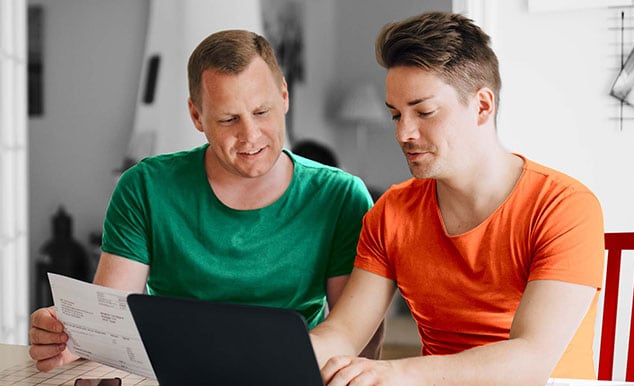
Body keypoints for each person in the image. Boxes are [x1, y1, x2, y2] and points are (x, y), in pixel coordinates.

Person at [28, 29, 382, 372]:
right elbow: (110, 326)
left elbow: (355, 340)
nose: (251, 136)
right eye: (229, 119)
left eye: (262, 112)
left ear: (284, 96)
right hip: (175, 372)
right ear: (197, 115)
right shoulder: (145, 187)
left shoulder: (340, 196)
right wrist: (69, 338)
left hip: (292, 372)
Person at [310, 11, 605, 386]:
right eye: (396, 115)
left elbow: (531, 360)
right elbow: (345, 332)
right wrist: (278, 357)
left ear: (482, 106)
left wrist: (399, 372)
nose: (404, 133)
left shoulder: (564, 206)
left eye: (424, 112)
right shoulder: (391, 212)